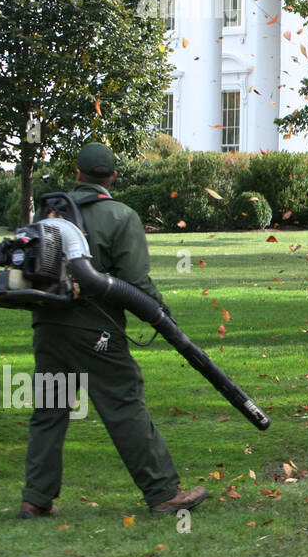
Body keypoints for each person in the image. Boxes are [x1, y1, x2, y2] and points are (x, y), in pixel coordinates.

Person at [20, 142, 209, 520]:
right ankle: (163, 493)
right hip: (96, 332)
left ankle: (35, 499)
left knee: (49, 410)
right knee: (124, 404)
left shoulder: (50, 212)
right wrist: (162, 313)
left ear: (77, 174)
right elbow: (135, 282)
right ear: (113, 177)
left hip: (49, 326)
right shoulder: (120, 216)